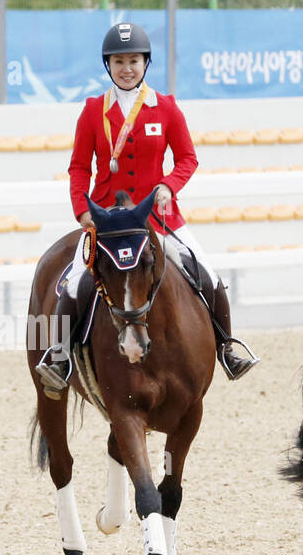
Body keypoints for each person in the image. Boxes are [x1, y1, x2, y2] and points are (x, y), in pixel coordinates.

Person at [35, 21, 258, 391]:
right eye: (119, 61)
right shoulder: (93, 112)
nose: (127, 68)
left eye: (134, 60)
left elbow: (188, 158)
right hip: (107, 222)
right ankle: (59, 358)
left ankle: (227, 348)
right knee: (73, 284)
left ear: (146, 63)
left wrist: (169, 186)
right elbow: (78, 167)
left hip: (158, 217)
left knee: (209, 275)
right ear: (108, 66)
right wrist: (83, 210)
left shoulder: (166, 108)